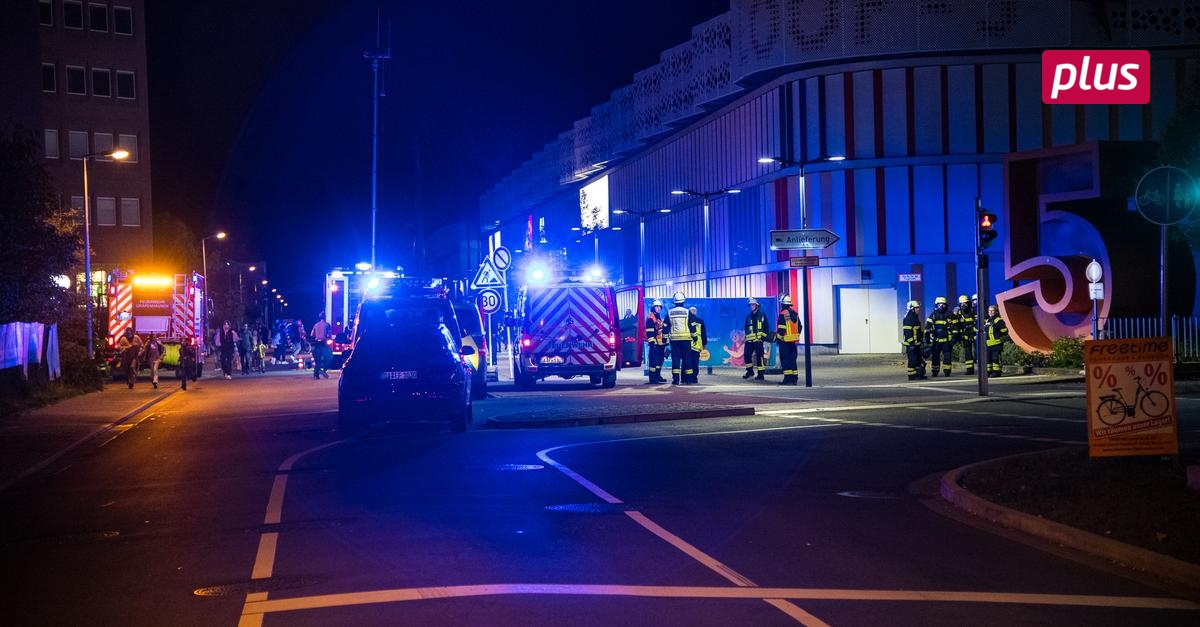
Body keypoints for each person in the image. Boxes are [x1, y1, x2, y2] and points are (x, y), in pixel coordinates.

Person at [666, 292, 695, 385]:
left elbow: (666, 326)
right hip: (686, 339)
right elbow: (692, 326)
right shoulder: (687, 312)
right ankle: (688, 379)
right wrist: (694, 337)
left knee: (675, 359)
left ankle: (675, 379)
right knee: (687, 359)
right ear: (683, 301)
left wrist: (664, 338)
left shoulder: (670, 312)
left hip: (674, 340)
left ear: (674, 301)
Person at [925, 296, 954, 377]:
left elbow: (954, 327)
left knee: (947, 357)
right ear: (936, 305)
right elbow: (927, 328)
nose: (941, 307)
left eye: (943, 305)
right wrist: (927, 338)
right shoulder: (933, 315)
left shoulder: (949, 315)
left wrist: (953, 339)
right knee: (935, 357)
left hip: (946, 341)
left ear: (946, 305)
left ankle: (947, 372)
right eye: (939, 305)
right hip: (936, 341)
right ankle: (935, 371)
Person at [775, 295, 801, 385]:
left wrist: (777, 337)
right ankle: (794, 379)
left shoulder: (783, 314)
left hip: (784, 342)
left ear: (782, 304)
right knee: (792, 360)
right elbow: (800, 327)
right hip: (793, 342)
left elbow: (781, 330)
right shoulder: (795, 314)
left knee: (785, 361)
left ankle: (787, 379)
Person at [742, 297, 768, 381]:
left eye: (753, 304)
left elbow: (766, 327)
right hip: (749, 341)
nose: (751, 306)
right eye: (750, 305)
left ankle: (760, 374)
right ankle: (750, 371)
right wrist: (746, 337)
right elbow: (746, 328)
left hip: (759, 340)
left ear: (757, 305)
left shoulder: (762, 315)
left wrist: (762, 338)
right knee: (746, 355)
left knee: (759, 357)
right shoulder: (748, 316)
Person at [644, 299, 668, 384]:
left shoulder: (658, 317)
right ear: (653, 308)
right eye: (656, 307)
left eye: (660, 307)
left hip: (660, 343)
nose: (658, 308)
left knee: (659, 361)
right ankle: (653, 378)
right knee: (653, 362)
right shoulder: (651, 317)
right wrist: (652, 343)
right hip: (654, 344)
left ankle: (658, 376)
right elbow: (650, 331)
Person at [902, 300, 927, 380]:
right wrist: (912, 344)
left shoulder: (914, 318)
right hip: (911, 345)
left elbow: (918, 331)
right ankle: (911, 375)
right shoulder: (909, 319)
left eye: (918, 308)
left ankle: (918, 374)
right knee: (912, 360)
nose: (918, 310)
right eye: (916, 308)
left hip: (916, 344)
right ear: (912, 309)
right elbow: (908, 333)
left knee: (918, 360)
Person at [984, 304, 1008, 377]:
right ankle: (988, 372)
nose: (990, 312)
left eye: (992, 311)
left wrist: (998, 335)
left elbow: (1004, 331)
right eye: (989, 311)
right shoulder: (987, 320)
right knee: (988, 359)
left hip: (996, 343)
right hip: (988, 344)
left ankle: (996, 372)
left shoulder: (999, 321)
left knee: (995, 359)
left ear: (996, 312)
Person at [955, 294, 977, 375]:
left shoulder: (973, 311)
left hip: (974, 335)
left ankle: (981, 369)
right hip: (965, 336)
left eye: (965, 303)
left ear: (969, 303)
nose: (964, 305)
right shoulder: (958, 313)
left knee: (978, 352)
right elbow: (956, 325)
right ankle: (969, 370)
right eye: (962, 304)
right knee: (968, 354)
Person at [687, 306, 707, 384]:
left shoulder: (687, 320)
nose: (693, 311)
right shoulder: (700, 321)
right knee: (695, 362)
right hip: (697, 345)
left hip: (688, 344)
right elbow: (703, 333)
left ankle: (686, 378)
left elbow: (703, 333)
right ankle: (694, 378)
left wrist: (704, 343)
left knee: (687, 361)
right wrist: (704, 344)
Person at [310, 312, 331, 379]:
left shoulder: (315, 325)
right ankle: (323, 370)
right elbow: (328, 334)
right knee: (329, 357)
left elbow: (312, 334)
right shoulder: (327, 325)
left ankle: (316, 375)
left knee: (318, 360)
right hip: (324, 343)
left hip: (317, 343)